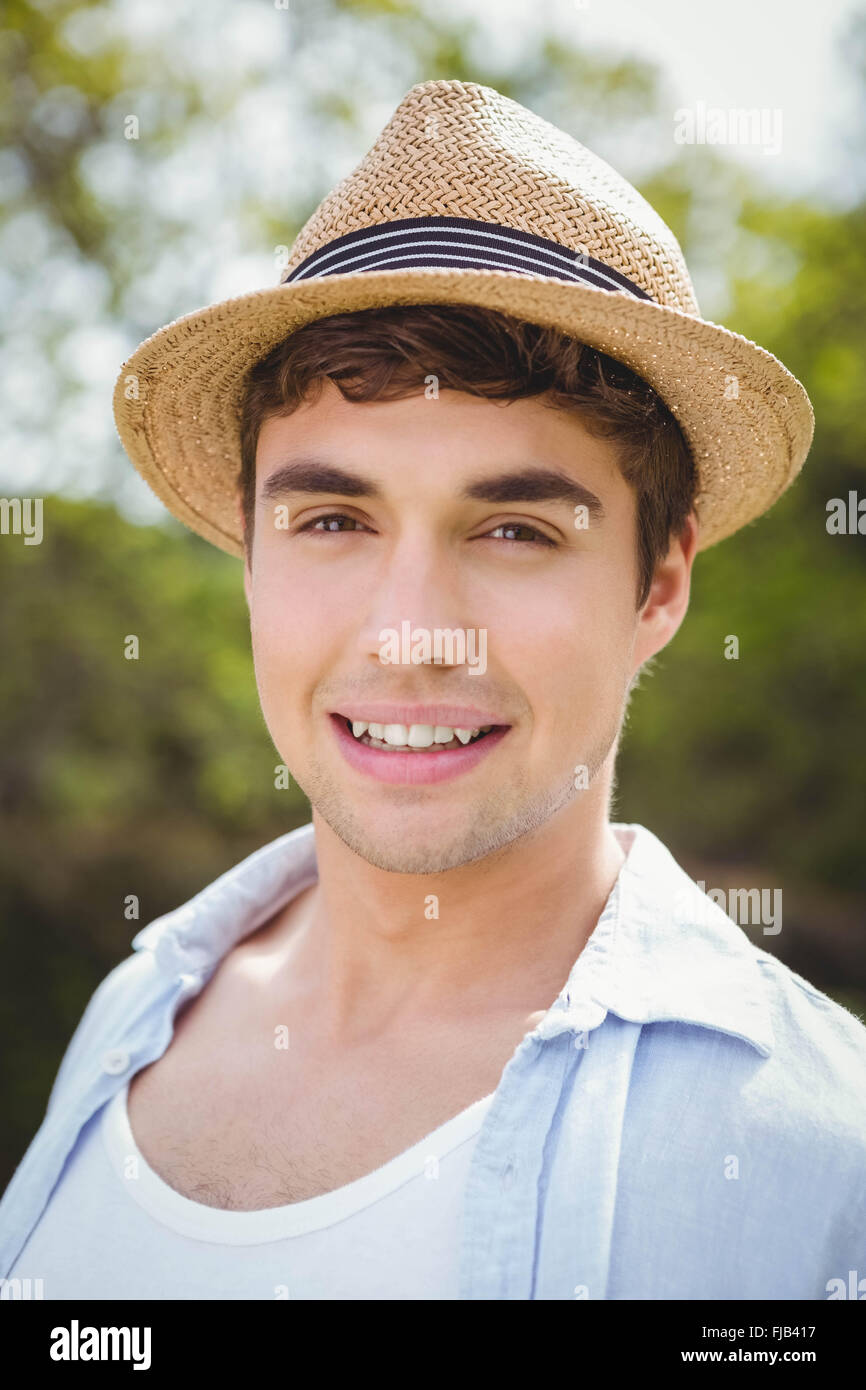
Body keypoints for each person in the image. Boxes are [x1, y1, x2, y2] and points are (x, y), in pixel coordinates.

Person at [1, 79, 863, 1302]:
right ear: (248, 558)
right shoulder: (133, 1016)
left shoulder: (823, 1170)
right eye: (333, 518)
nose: (410, 637)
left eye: (513, 529)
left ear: (658, 583)